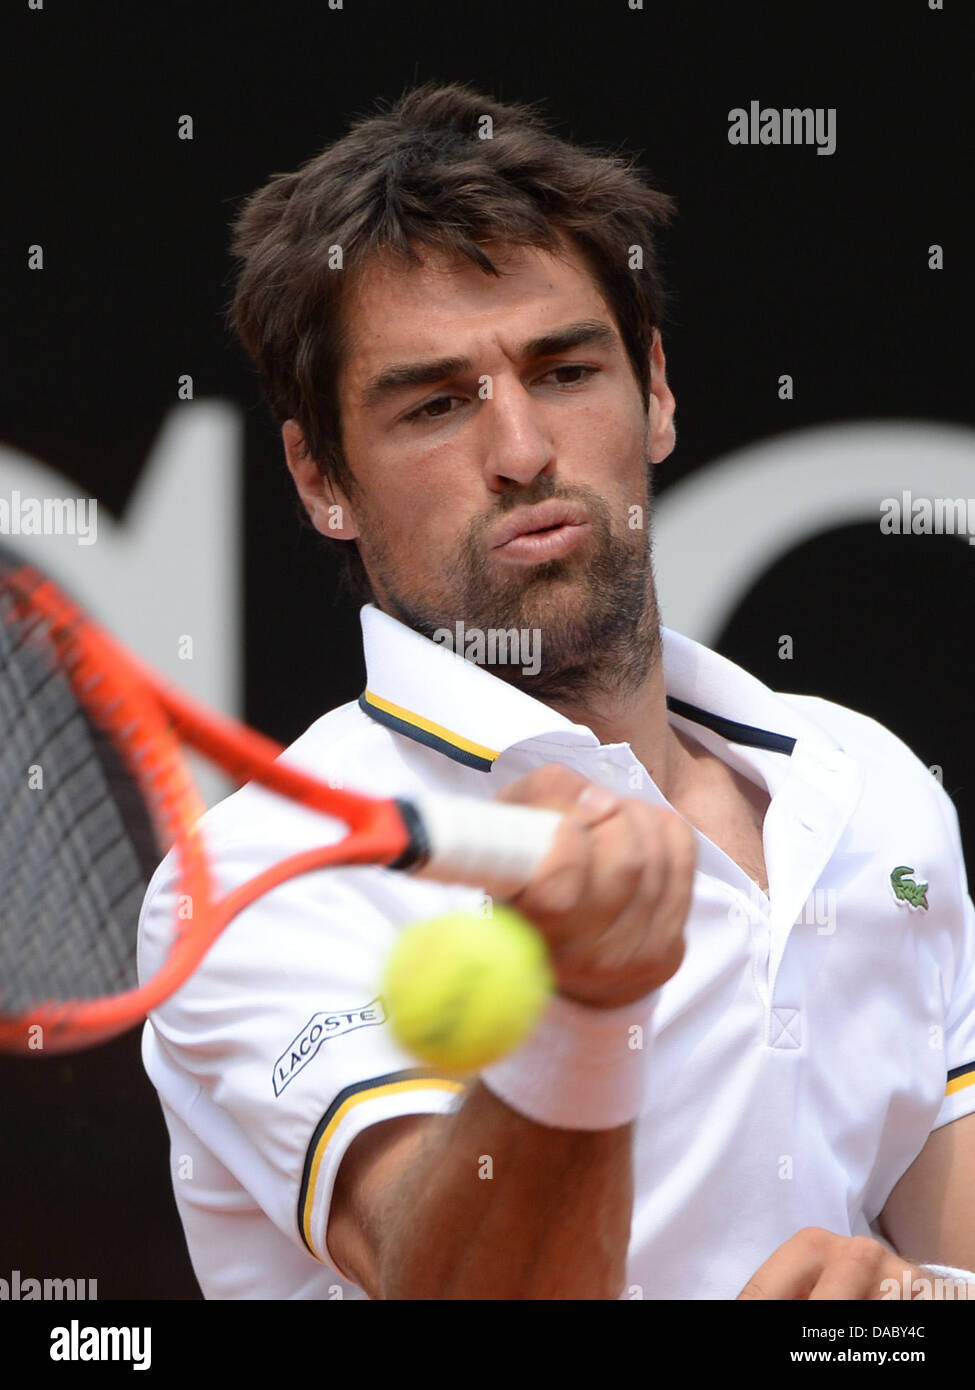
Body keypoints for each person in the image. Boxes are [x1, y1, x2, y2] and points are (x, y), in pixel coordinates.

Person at [138, 80, 975, 1300]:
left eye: (566, 370)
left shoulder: (874, 788)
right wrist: (584, 1006)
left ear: (657, 390)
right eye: (435, 403)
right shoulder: (262, 879)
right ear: (320, 475)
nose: (522, 451)